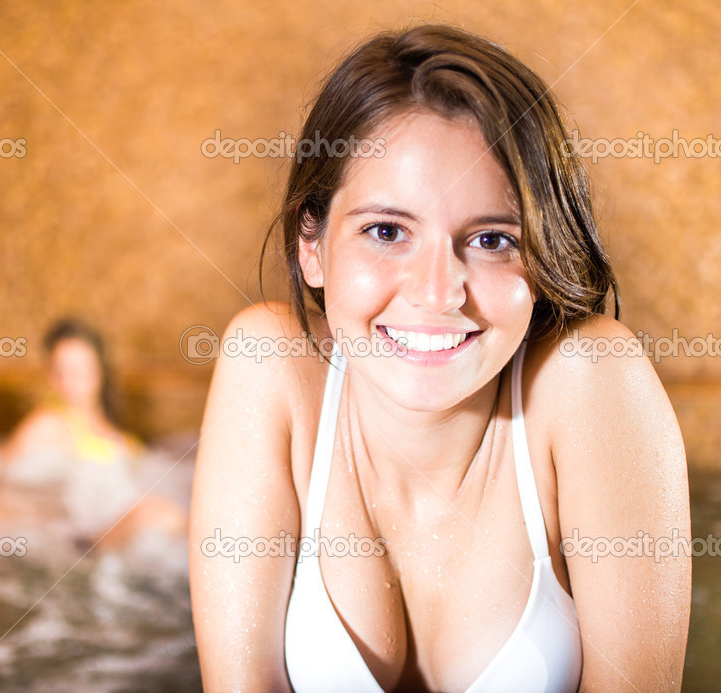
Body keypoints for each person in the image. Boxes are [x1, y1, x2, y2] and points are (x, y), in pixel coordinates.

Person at [190, 25, 691, 692]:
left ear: (542, 257)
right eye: (386, 231)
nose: (436, 291)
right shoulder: (270, 365)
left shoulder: (590, 381)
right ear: (311, 243)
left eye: (488, 238)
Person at [3, 319, 186, 548]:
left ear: (100, 372)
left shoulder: (120, 436)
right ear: (51, 376)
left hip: (108, 532)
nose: (70, 381)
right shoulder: (47, 424)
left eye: (81, 371)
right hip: (80, 542)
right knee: (156, 515)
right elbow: (2, 486)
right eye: (61, 372)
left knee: (165, 517)